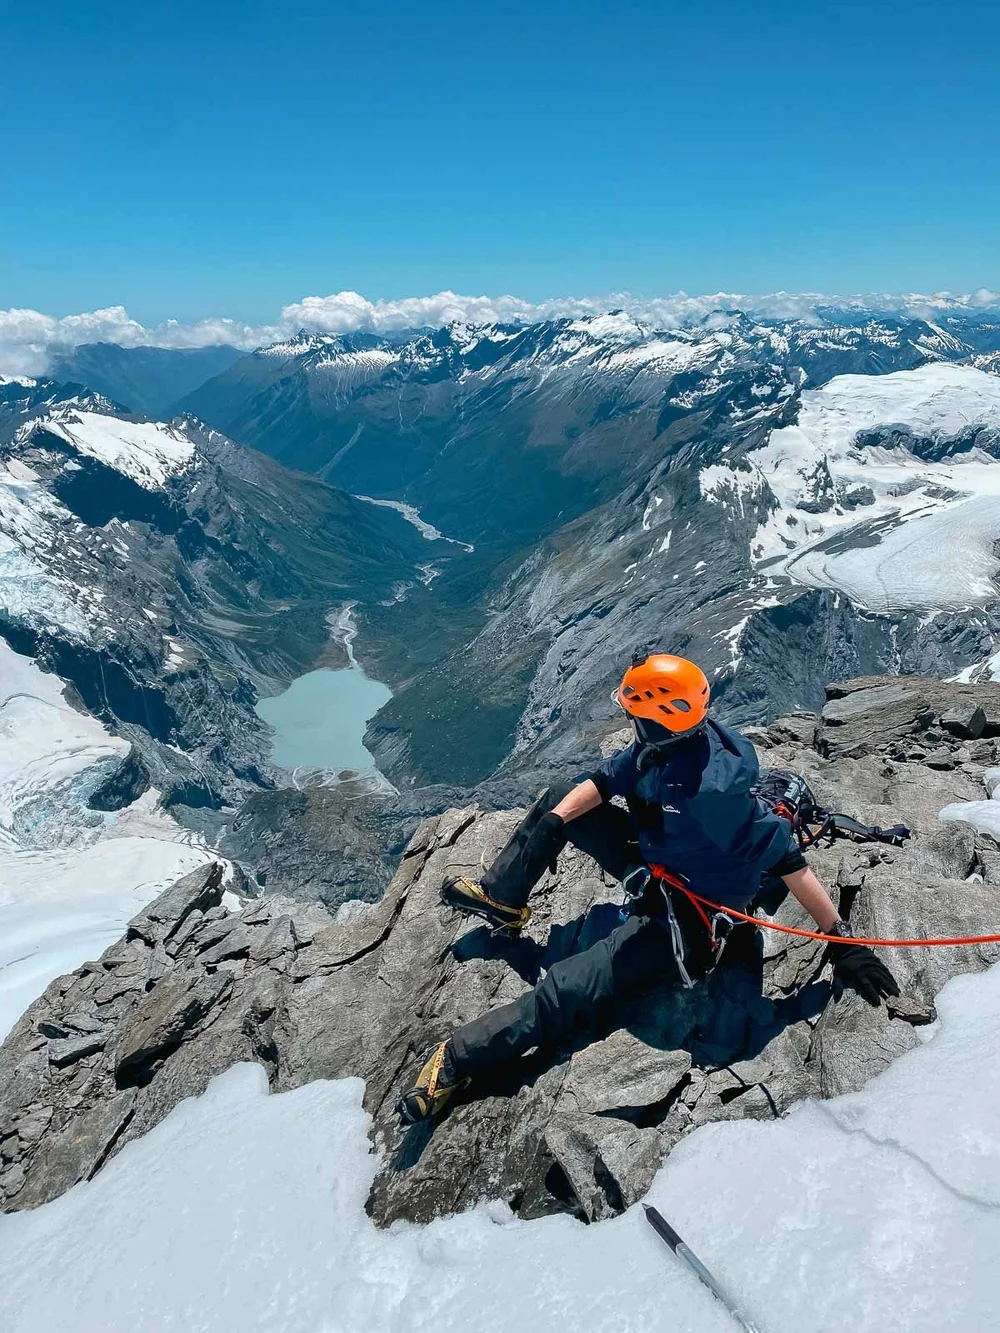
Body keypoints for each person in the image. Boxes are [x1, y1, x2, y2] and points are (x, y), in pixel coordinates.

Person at [397, 651, 899, 1124]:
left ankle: (459, 1057)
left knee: (573, 985)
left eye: (634, 711)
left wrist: (840, 939)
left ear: (656, 717)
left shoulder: (714, 794)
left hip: (687, 919)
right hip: (656, 865)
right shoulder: (660, 746)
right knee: (560, 799)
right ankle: (503, 899)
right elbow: (605, 781)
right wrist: (554, 821)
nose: (629, 720)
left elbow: (789, 862)